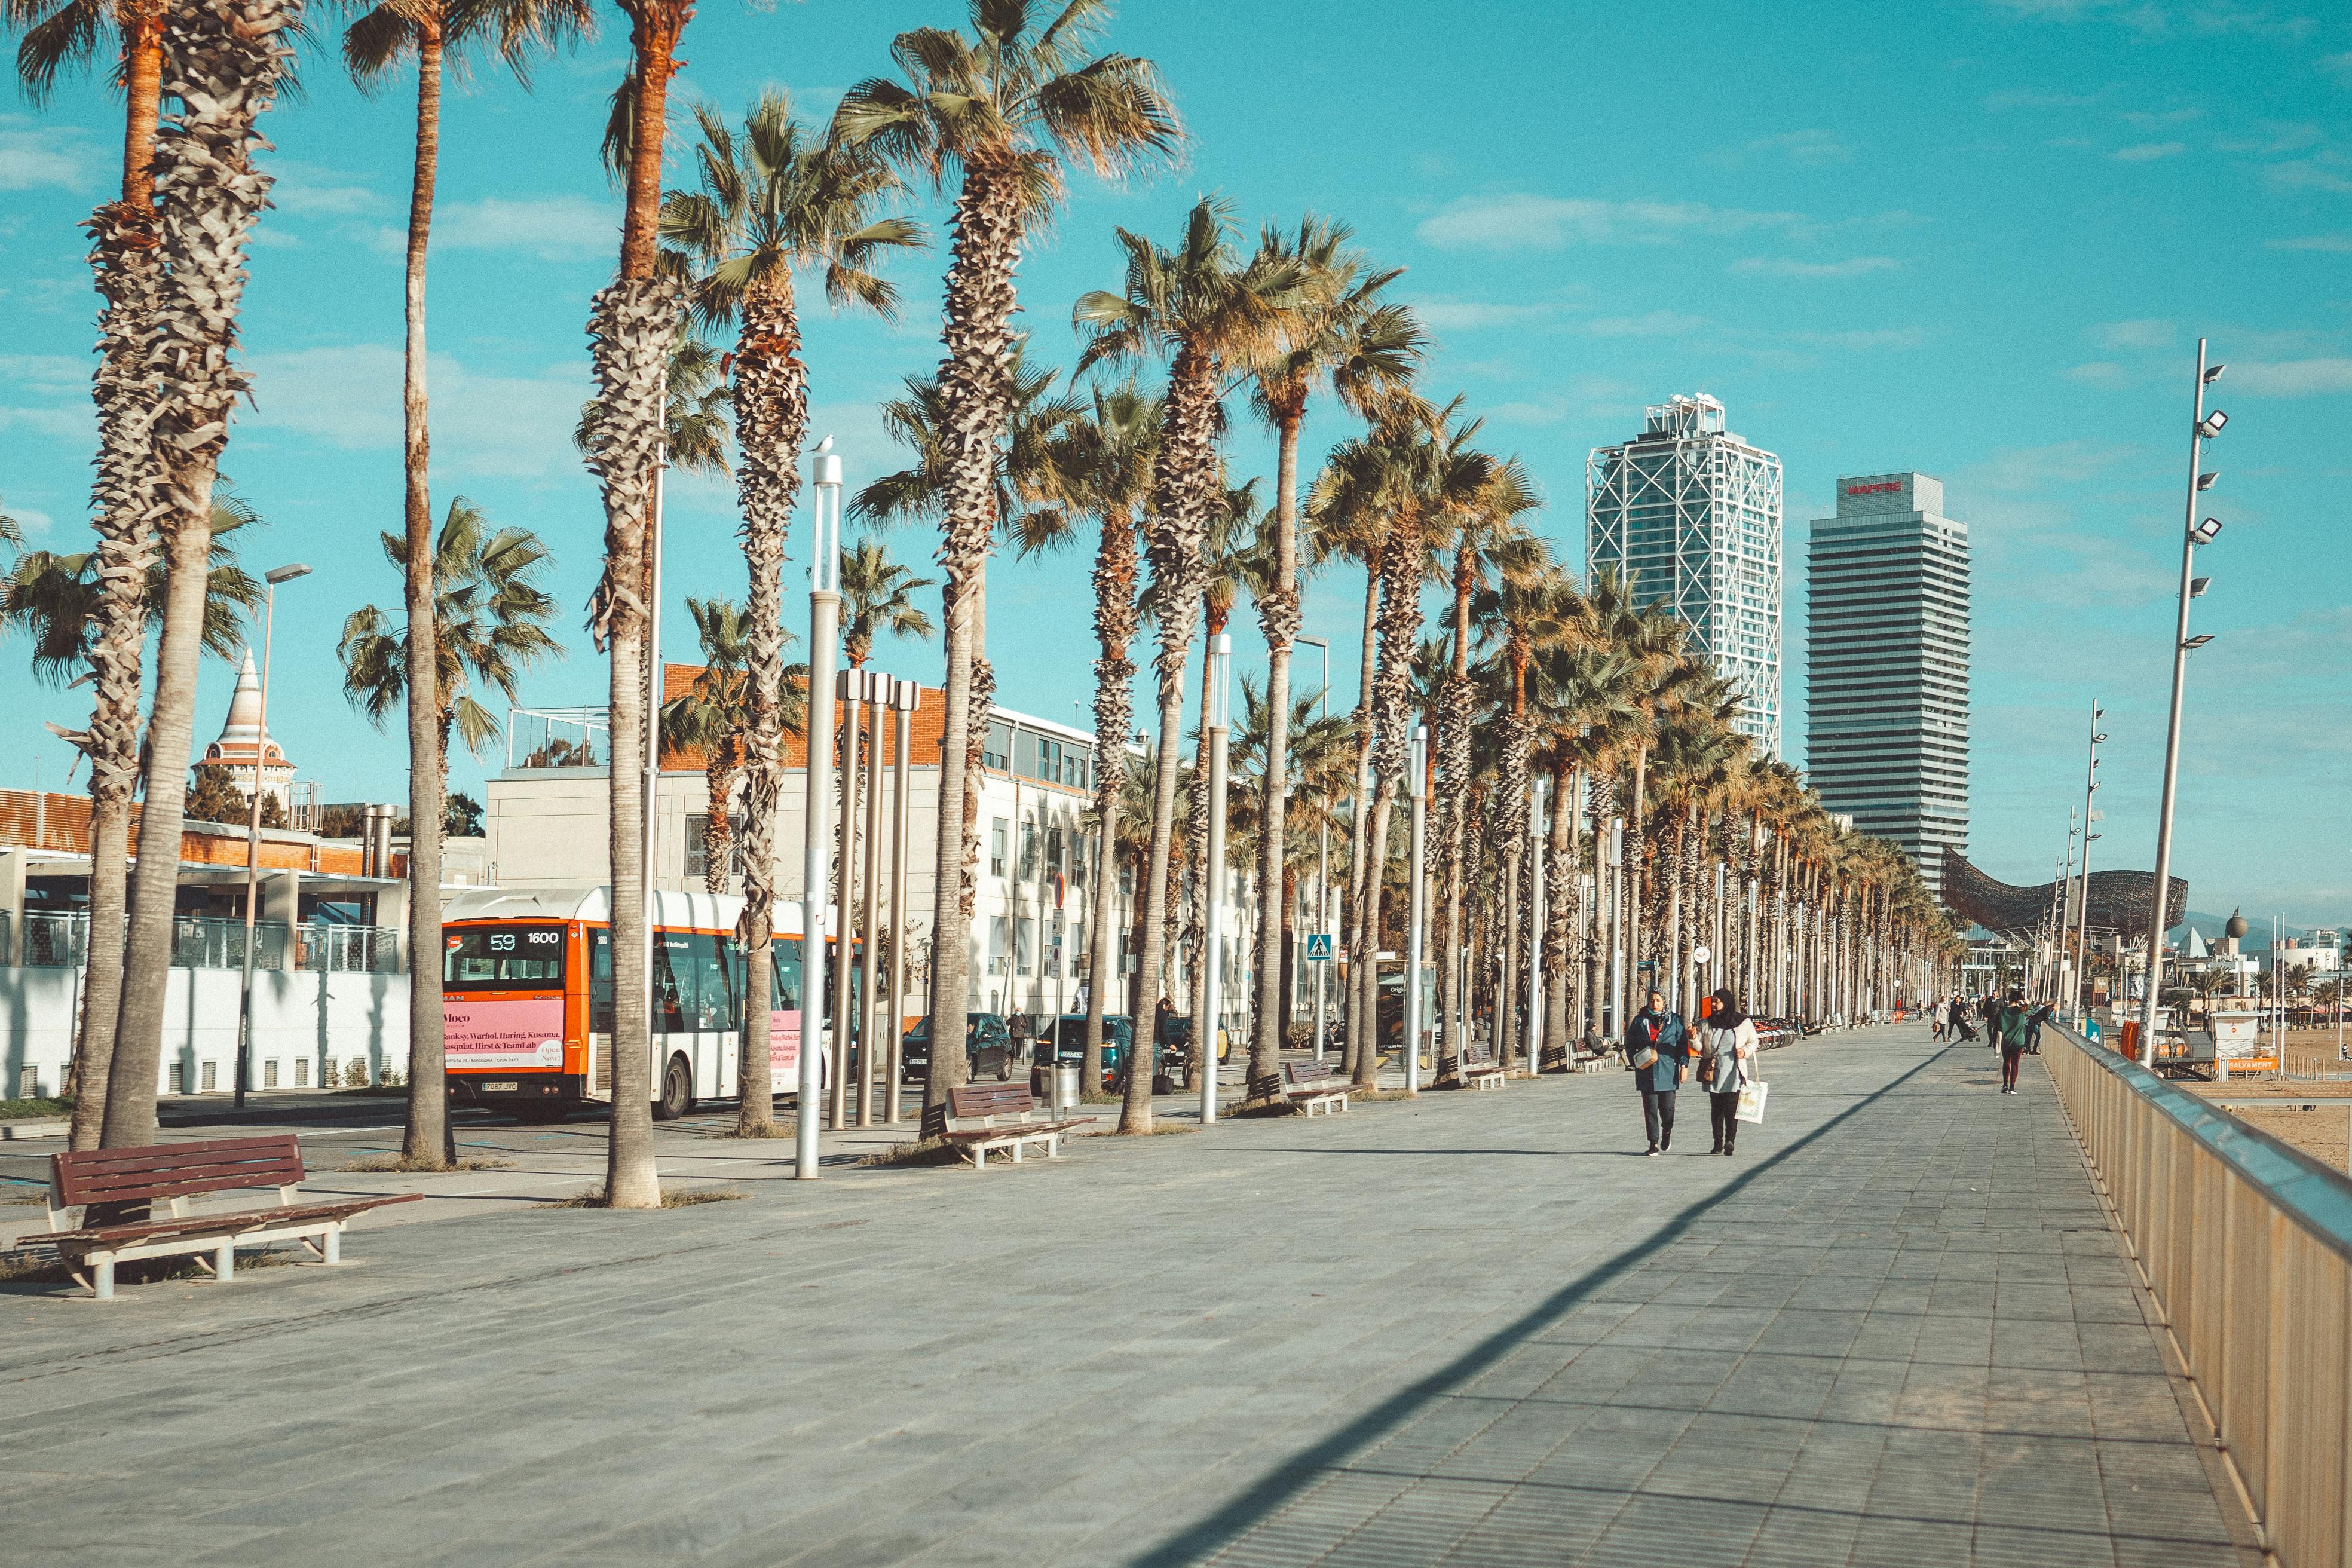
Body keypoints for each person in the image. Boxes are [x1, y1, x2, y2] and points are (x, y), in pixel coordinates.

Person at [1622, 988, 1689, 1155]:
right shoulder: (1640, 1020)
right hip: (1647, 1072)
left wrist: (1684, 1066)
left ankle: (1667, 1132)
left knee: (1668, 1110)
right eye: (1652, 1000)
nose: (1655, 1004)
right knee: (1651, 1110)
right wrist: (1635, 1061)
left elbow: (1682, 1045)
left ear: (1664, 1001)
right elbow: (1629, 1043)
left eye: (1658, 1000)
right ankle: (1654, 1143)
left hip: (1668, 1071)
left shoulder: (1674, 1020)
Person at [1699, 987, 1760, 1156]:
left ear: (1726, 1003)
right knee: (1716, 1110)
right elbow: (1699, 1045)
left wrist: (1744, 1051)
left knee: (1732, 1109)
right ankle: (1717, 1143)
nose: (1713, 1004)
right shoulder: (1707, 1023)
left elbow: (1754, 1042)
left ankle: (1730, 1141)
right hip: (1714, 1073)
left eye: (1716, 1001)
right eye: (1712, 1001)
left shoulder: (1742, 1022)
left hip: (1735, 1073)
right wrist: (1691, 1038)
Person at [1995, 987, 2034, 1093]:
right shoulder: (2022, 1011)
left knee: (2006, 1062)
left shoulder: (2003, 1012)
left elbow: (1998, 1027)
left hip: (2006, 1041)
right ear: (2018, 1000)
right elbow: (2033, 1012)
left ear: (2009, 999)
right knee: (2015, 1064)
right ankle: (2012, 1087)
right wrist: (2027, 1003)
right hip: (2019, 1041)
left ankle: (2005, 1085)